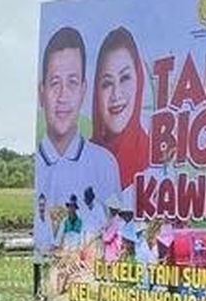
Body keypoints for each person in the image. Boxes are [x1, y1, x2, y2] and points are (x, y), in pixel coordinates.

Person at [36, 26, 119, 242]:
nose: (63, 96)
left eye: (72, 83)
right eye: (55, 83)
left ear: (83, 90)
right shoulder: (33, 164)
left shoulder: (104, 163)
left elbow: (115, 228)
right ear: (42, 92)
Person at [91, 27, 150, 199]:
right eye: (107, 83)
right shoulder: (84, 161)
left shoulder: (156, 160)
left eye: (124, 78)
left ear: (139, 82)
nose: (116, 95)